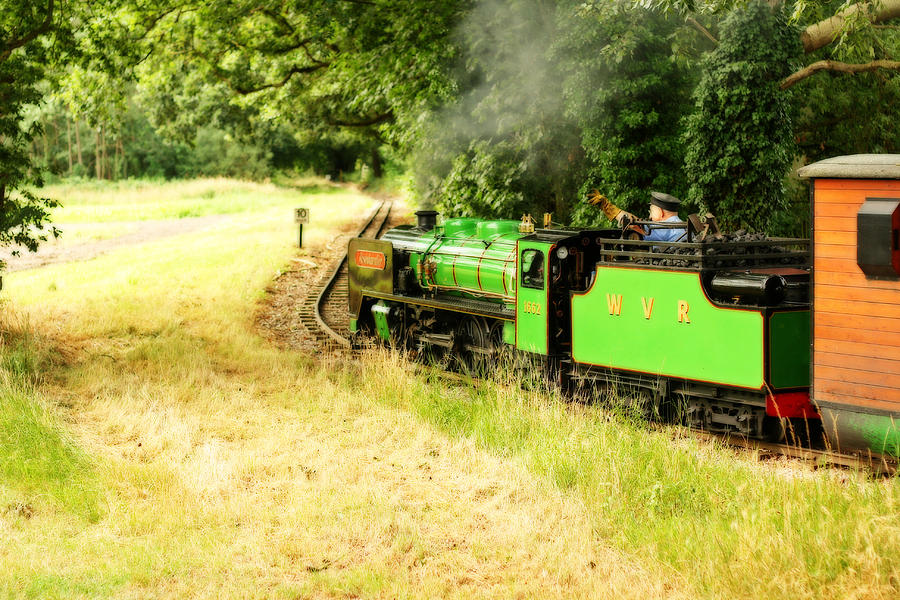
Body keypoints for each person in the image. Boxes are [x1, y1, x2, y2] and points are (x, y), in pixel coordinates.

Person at [588, 190, 686, 242]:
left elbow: (634, 224)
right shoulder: (682, 226)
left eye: (651, 211)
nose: (650, 216)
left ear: (661, 212)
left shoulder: (664, 227)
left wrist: (607, 207)